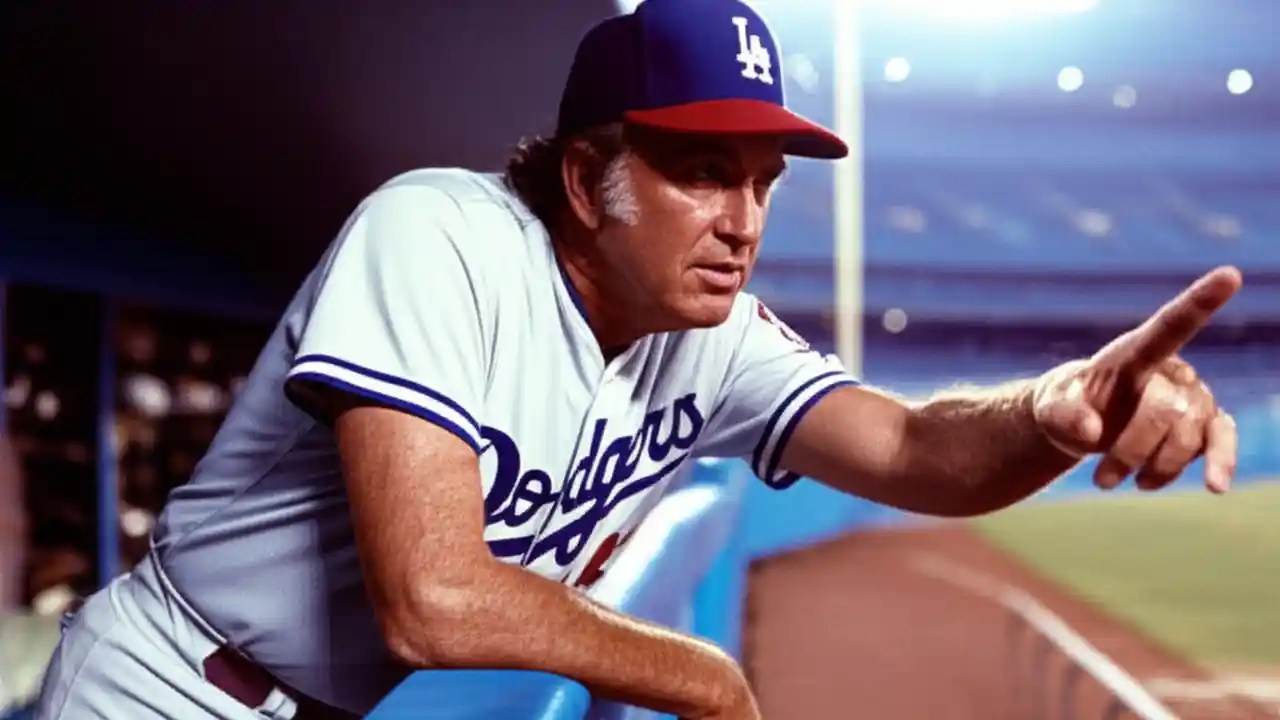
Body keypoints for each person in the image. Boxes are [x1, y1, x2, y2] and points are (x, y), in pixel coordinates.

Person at [35, 0, 1241, 718]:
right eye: (702, 172)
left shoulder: (712, 337)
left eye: (762, 183)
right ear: (583, 177)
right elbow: (432, 598)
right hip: (166, 685)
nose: (744, 220)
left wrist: (1058, 403)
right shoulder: (440, 236)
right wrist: (702, 675)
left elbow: (918, 451)